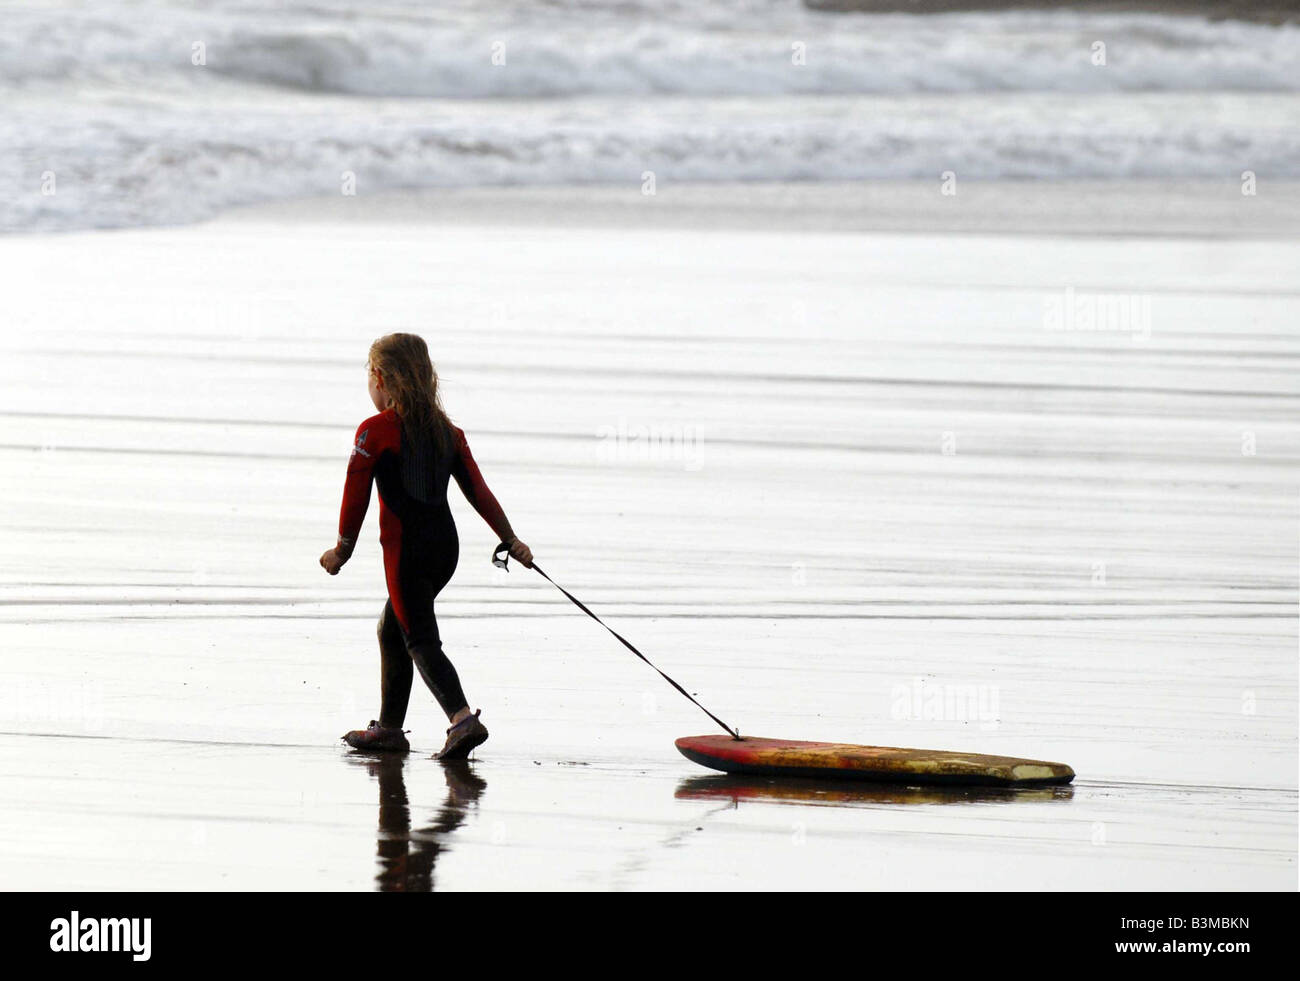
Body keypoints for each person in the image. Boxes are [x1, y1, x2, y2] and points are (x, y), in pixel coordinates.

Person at [320, 333, 532, 759]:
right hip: (444, 551)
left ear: (380, 377)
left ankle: (461, 720)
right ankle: (390, 730)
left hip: (407, 552)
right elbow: (478, 491)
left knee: (419, 637)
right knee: (393, 628)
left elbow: (355, 497)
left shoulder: (374, 432)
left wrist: (341, 551)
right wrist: (510, 539)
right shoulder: (448, 433)